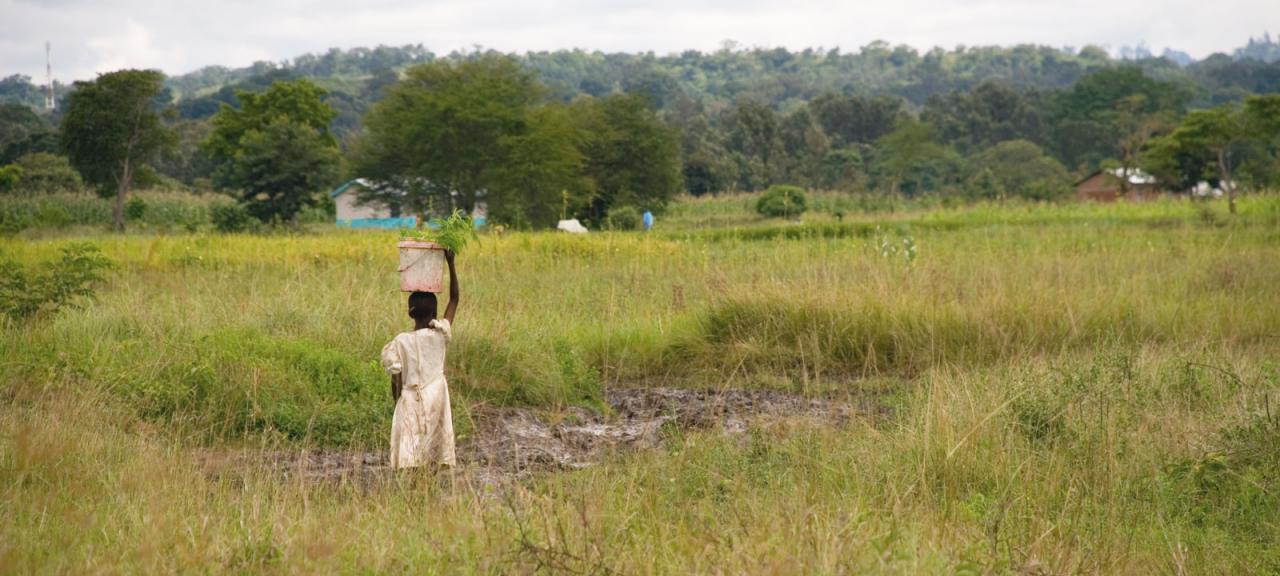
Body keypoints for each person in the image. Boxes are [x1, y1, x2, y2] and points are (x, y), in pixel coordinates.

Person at [381, 250, 459, 469]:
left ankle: (415, 495)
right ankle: (427, 492)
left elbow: (396, 380)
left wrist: (397, 397)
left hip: (409, 401)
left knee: (410, 457)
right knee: (434, 455)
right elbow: (454, 299)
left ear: (409, 312)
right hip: (436, 400)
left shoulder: (400, 342)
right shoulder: (440, 335)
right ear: (435, 313)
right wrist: (450, 263)